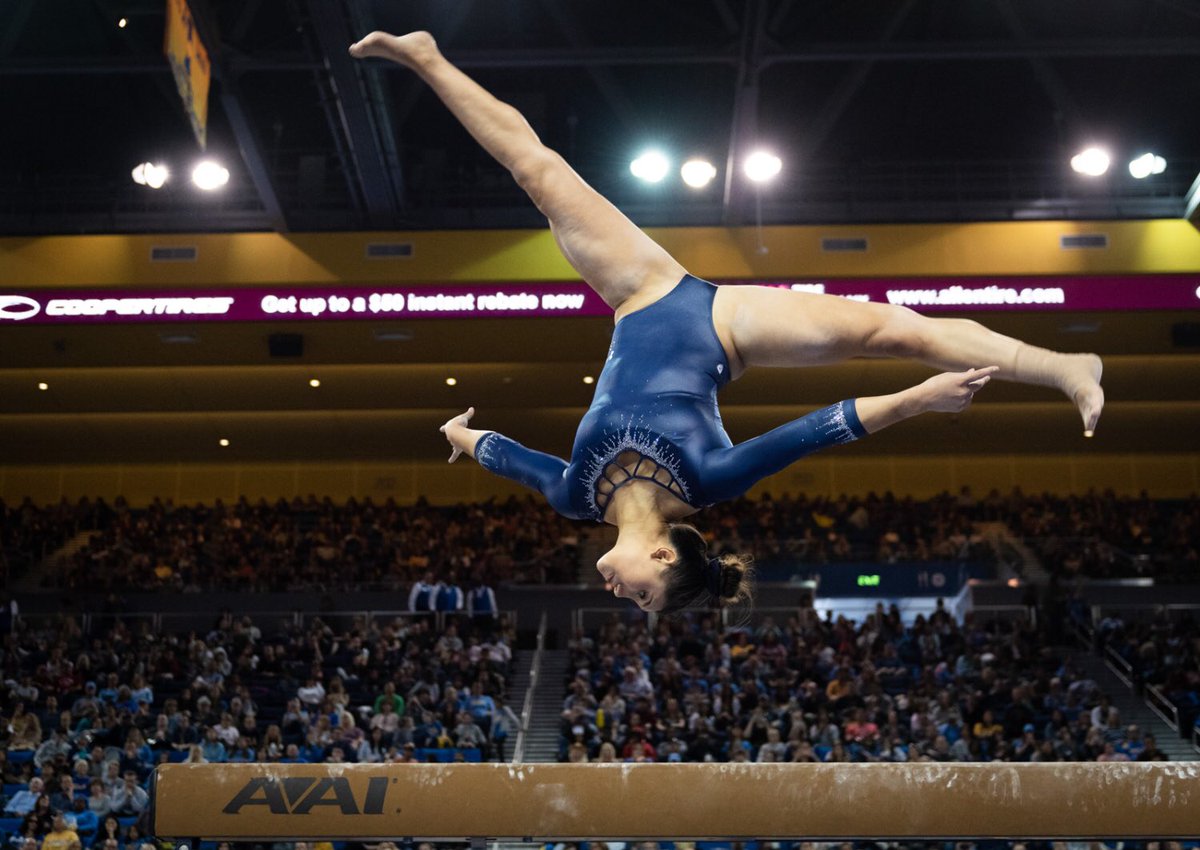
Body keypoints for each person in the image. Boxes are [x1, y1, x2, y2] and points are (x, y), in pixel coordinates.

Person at [350, 31, 1105, 614]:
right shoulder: (708, 481)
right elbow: (818, 428)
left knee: (539, 174)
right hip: (725, 326)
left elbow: (508, 455)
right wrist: (917, 399)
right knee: (892, 330)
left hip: (642, 294)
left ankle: (424, 59)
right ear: (667, 559)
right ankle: (1061, 366)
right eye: (643, 596)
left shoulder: (575, 495)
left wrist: (459, 436)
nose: (620, 596)